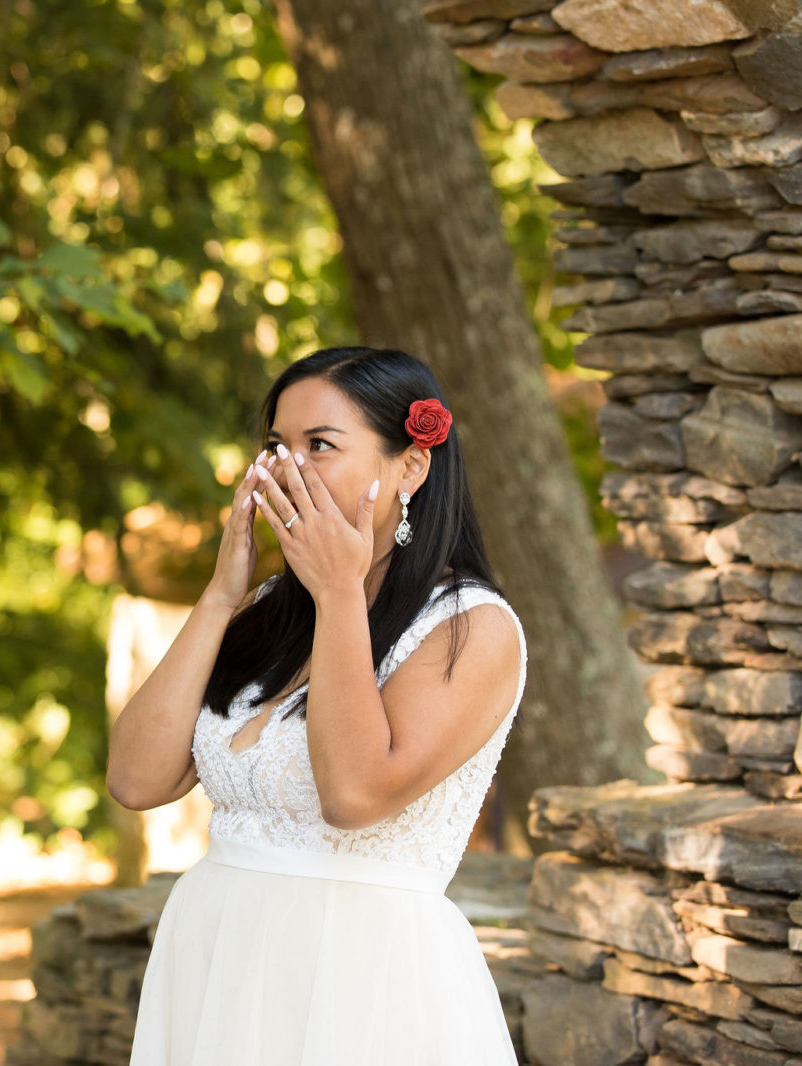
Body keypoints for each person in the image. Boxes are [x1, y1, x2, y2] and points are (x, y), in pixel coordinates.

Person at [109, 346, 525, 1064]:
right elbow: (135, 780)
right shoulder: (269, 612)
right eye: (277, 446)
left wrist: (339, 593)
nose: (287, 469)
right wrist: (221, 597)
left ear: (411, 467)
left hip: (360, 988)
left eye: (320, 446)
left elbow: (355, 795)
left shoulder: (471, 628)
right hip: (216, 964)